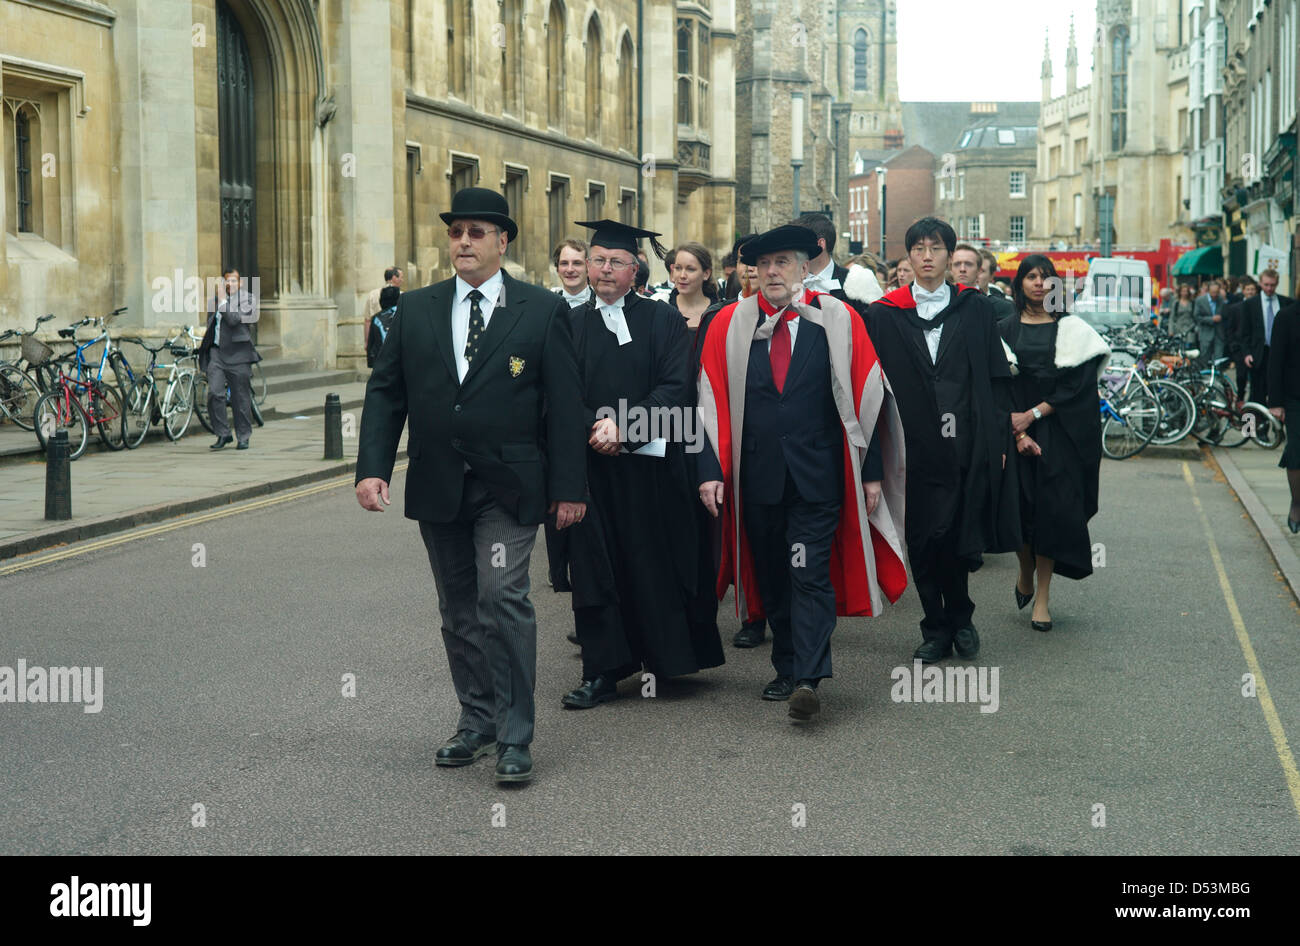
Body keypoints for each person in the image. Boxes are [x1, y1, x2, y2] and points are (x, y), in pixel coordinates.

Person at [354, 187, 587, 784]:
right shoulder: (417, 308)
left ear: (502, 241)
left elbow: (564, 407)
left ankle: (515, 735)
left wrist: (570, 487)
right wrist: (374, 467)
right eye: (457, 231)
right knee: (458, 608)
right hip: (438, 482)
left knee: (501, 598)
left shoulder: (540, 309)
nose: (463, 241)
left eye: (476, 232)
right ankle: (476, 720)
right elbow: (387, 392)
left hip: (507, 486)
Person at [696, 225, 908, 720]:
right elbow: (706, 403)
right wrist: (711, 471)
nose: (772, 271)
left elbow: (866, 399)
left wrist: (871, 473)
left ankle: (809, 676)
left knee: (807, 570)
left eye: (783, 263)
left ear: (805, 268)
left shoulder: (838, 320)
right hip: (756, 477)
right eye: (764, 263)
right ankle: (786, 663)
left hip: (819, 475)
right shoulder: (728, 325)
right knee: (773, 573)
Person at [557, 220, 724, 709]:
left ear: (636, 270)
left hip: (653, 468)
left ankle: (666, 659)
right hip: (591, 469)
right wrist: (595, 427)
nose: (605, 269)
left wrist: (625, 427)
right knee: (596, 568)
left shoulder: (663, 321)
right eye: (598, 260)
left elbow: (676, 389)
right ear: (587, 267)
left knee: (653, 562)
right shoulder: (565, 322)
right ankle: (603, 670)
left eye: (617, 262)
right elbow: (559, 393)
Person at [863, 217, 1020, 663]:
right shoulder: (884, 314)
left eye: (935, 248)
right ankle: (935, 625)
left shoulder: (974, 309)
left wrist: (998, 443)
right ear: (908, 257)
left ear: (950, 256)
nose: (927, 256)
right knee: (923, 539)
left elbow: (994, 378)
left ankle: (962, 618)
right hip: (911, 449)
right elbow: (874, 387)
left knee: (956, 535)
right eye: (918, 249)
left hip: (965, 445)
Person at [999, 256, 1110, 631]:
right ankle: (1024, 568)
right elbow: (998, 386)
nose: (1038, 283)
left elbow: (1076, 388)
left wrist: (1034, 416)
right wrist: (1018, 430)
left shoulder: (1071, 329)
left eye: (1046, 277)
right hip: (1012, 430)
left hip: (1057, 431)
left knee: (1051, 513)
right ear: (1019, 283)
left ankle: (1042, 598)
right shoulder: (1003, 329)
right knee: (1018, 510)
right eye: (1031, 276)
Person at [199, 267, 260, 450]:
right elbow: (212, 324)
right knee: (214, 394)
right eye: (227, 280)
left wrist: (224, 302)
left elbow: (233, 320)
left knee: (240, 398)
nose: (230, 284)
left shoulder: (248, 300)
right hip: (216, 353)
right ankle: (223, 434)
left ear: (240, 283)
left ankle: (243, 436)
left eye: (233, 280)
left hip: (238, 354)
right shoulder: (215, 301)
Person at [1266, 294, 1300, 532]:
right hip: (1294, 397)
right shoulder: (1287, 316)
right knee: (1296, 451)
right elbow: (1275, 360)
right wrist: (1275, 402)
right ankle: (1297, 504)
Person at [1240, 269, 1292, 407]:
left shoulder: (1286, 303)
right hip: (1259, 355)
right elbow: (1244, 333)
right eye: (1266, 284)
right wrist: (1247, 354)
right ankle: (1250, 428)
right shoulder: (1250, 304)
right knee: (1255, 396)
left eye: (1273, 285)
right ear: (1260, 283)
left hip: (1280, 355)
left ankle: (1277, 426)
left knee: (1279, 393)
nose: (1269, 288)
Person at [952, 243, 1013, 320]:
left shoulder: (1002, 307)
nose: (962, 269)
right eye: (957, 264)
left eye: (969, 264)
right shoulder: (943, 301)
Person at [363, 267, 403, 352]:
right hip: (395, 340)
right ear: (394, 278)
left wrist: (367, 342)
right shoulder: (402, 296)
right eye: (401, 277)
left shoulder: (372, 295)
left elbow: (367, 321)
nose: (402, 280)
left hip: (377, 340)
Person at [366, 285, 401, 368]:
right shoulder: (404, 315)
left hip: (382, 362)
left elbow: (372, 342)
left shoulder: (377, 318)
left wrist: (371, 362)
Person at [552, 238, 592, 307]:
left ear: (588, 267)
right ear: (557, 269)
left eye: (577, 263)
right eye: (564, 263)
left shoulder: (605, 304)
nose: (570, 270)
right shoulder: (549, 304)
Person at [1194, 279, 1227, 362]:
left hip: (1219, 334)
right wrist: (1211, 319)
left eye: (1217, 292)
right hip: (1206, 334)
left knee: (1218, 359)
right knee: (1205, 358)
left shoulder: (1221, 300)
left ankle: (1216, 374)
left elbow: (1226, 315)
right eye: (1213, 292)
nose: (1215, 294)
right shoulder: (1200, 300)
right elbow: (1197, 317)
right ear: (1208, 291)